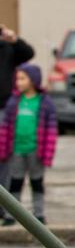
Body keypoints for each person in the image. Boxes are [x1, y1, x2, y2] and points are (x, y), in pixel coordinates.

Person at [1, 64, 57, 225]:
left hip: (36, 151)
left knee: (37, 182)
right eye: (17, 79)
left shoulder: (45, 102)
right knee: (15, 182)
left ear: (33, 81)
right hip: (17, 150)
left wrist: (47, 152)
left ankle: (38, 214)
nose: (18, 82)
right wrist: (3, 149)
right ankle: (11, 215)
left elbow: (51, 130)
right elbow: (6, 127)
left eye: (22, 78)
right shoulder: (14, 102)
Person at [0, 24, 34, 194]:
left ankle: (5, 207)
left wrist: (14, 40)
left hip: (4, 108)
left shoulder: (7, 49)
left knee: (4, 157)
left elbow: (28, 54)